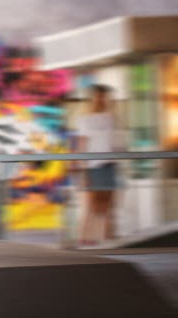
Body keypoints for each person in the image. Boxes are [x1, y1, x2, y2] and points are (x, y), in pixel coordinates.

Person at [75, 84, 118, 246]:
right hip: (92, 166)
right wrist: (83, 170)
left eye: (104, 96)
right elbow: (82, 145)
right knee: (91, 206)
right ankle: (85, 238)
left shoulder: (110, 118)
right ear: (92, 98)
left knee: (108, 207)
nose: (101, 99)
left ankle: (107, 239)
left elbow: (114, 142)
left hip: (109, 164)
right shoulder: (85, 119)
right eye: (98, 96)